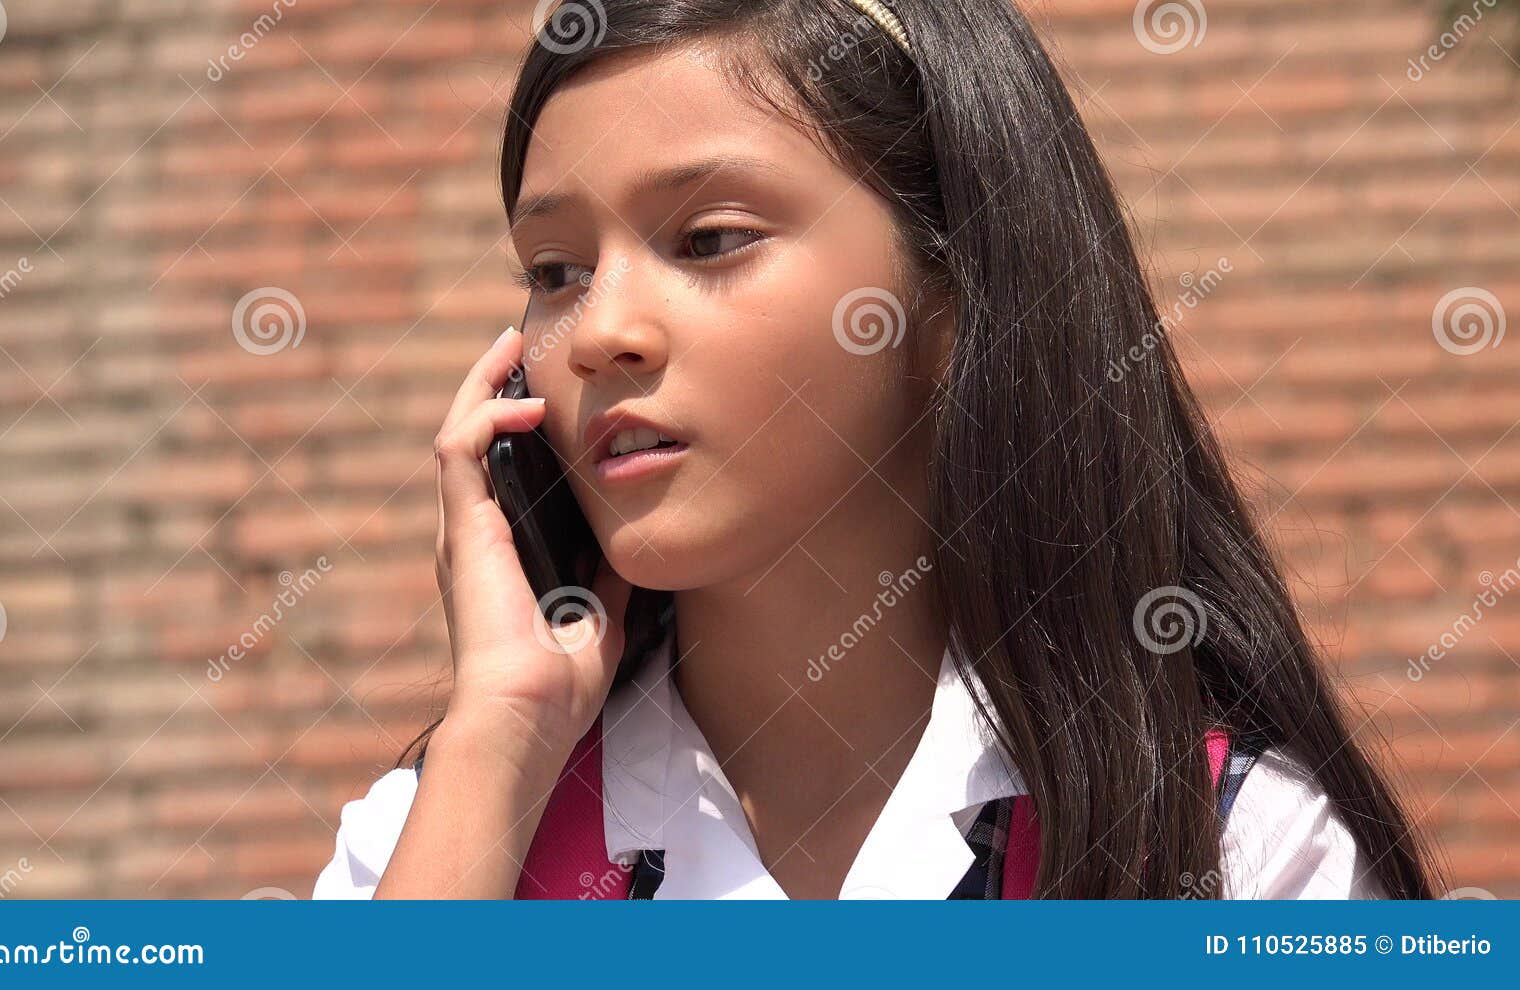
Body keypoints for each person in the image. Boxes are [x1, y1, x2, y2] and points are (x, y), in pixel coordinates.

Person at [313, 0, 1443, 900]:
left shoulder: (1234, 853)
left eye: (708, 239)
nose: (600, 330)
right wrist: (498, 732)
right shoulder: (438, 839)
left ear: (949, 298)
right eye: (554, 269)